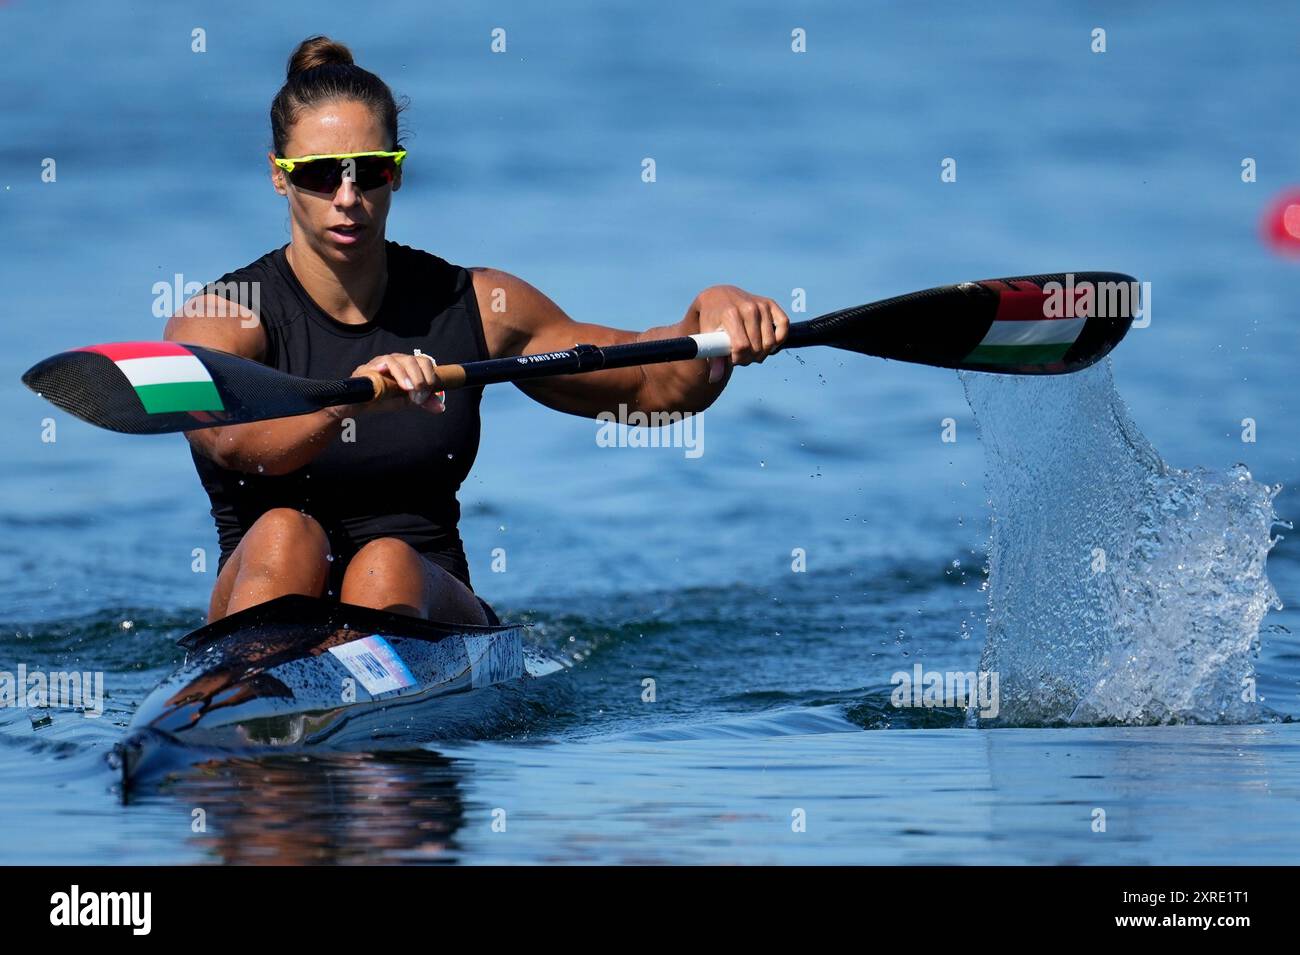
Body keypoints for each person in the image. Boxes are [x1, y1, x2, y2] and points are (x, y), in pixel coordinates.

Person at [167, 35, 788, 626]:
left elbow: (654, 387)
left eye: (370, 171)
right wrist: (345, 402)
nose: (348, 196)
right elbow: (230, 441)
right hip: (263, 607)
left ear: (397, 174)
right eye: (320, 173)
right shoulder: (225, 315)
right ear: (279, 174)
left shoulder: (477, 305)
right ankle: (245, 697)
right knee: (284, 530)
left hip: (424, 612)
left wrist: (707, 321)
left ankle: (367, 684)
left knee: (383, 564)